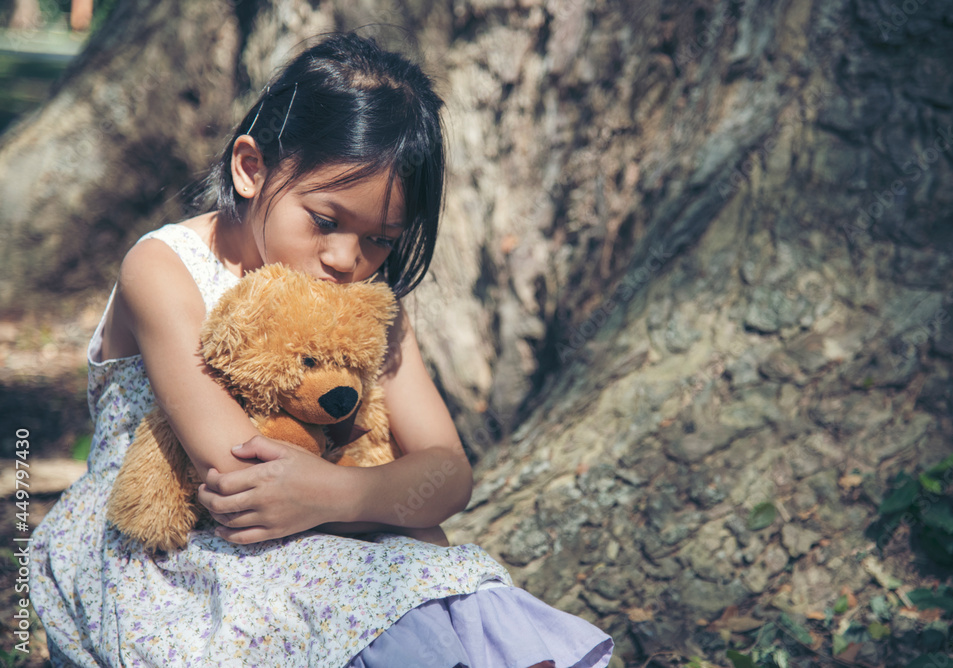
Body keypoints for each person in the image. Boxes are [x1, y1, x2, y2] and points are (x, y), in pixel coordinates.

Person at [29, 32, 614, 667]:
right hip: (177, 552)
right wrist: (388, 501)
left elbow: (448, 470)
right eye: (326, 221)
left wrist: (348, 496)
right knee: (399, 581)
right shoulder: (165, 268)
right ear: (251, 169)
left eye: (382, 239)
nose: (345, 259)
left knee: (435, 583)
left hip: (325, 531)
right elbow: (241, 477)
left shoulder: (366, 300)